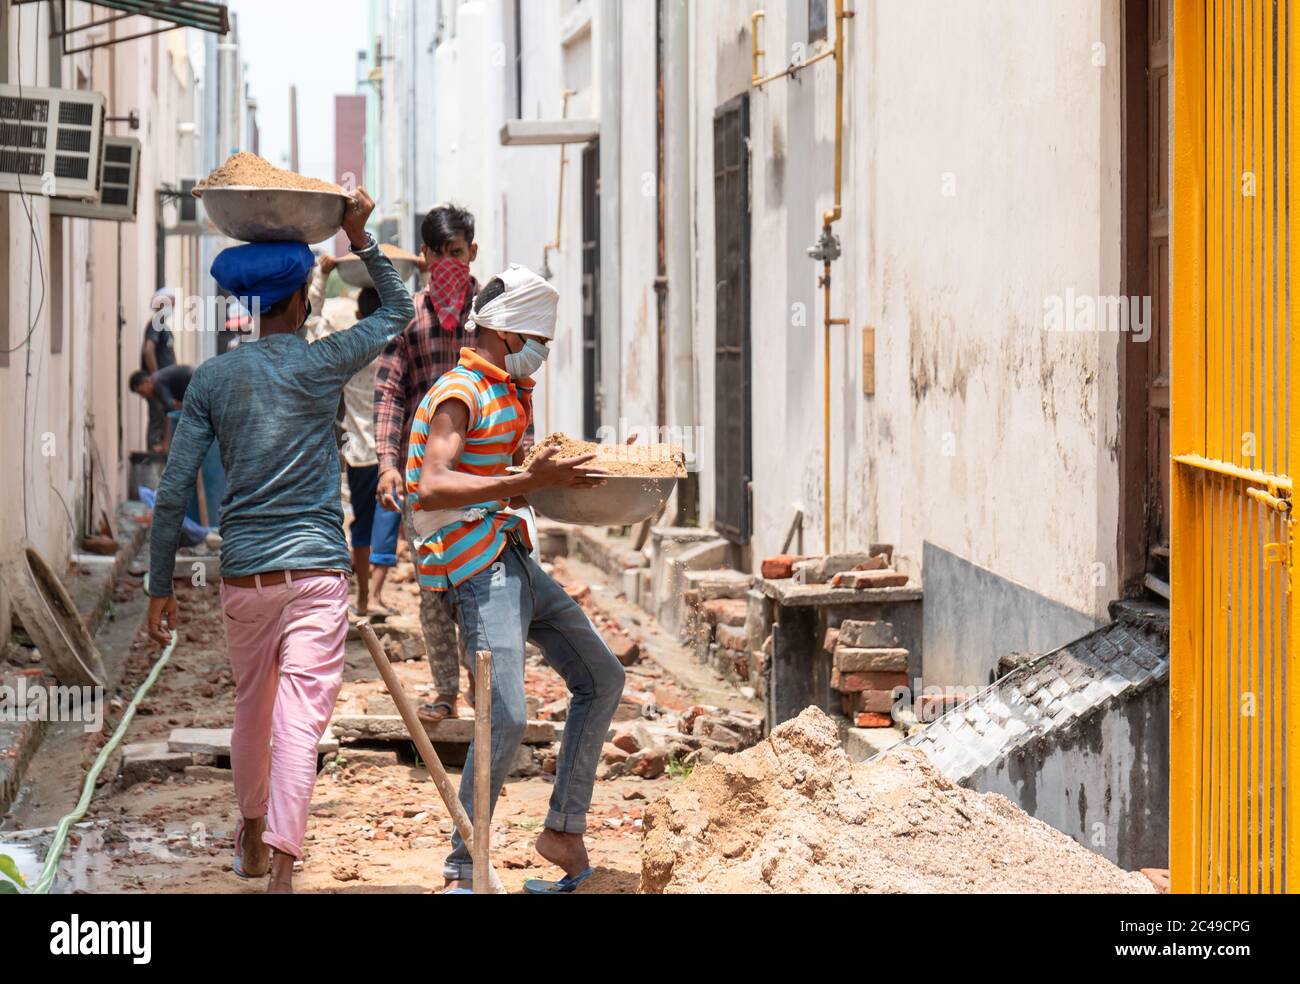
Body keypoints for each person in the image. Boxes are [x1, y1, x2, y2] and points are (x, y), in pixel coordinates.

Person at [144, 189, 415, 893]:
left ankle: (253, 834)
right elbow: (398, 311)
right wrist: (361, 236)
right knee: (300, 722)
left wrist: (160, 586)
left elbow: (173, 491)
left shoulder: (212, 378)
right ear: (301, 294)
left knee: (251, 709)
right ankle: (285, 868)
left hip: (245, 580)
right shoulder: (324, 360)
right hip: (319, 574)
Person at [409, 264, 624, 894]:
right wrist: (527, 482)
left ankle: (562, 829)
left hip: (509, 553)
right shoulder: (461, 391)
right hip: (474, 566)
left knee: (602, 676)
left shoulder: (503, 387)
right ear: (507, 333)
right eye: (542, 344)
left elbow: (508, 468)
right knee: (503, 714)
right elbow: (434, 482)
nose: (543, 357)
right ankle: (460, 867)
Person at [373, 204, 480, 723]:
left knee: (484, 585)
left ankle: (487, 692)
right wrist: (386, 464)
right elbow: (390, 392)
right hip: (426, 483)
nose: (447, 263)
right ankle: (444, 693)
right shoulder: (408, 317)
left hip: (484, 479)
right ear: (423, 257)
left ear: (472, 253)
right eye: (438, 254)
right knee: (435, 588)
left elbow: (521, 385)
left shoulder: (492, 316)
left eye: (456, 253)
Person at [303, 259, 402, 616]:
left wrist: (323, 275)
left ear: (359, 313)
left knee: (362, 525)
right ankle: (373, 595)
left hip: (360, 453)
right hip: (393, 454)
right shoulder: (397, 346)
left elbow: (311, 324)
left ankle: (362, 599)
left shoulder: (349, 349)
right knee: (388, 522)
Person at [140, 289, 179, 450]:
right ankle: (152, 459)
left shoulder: (165, 328)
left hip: (167, 385)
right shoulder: (155, 324)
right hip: (159, 384)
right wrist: (156, 377)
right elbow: (148, 350)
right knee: (158, 418)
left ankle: (162, 457)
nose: (173, 308)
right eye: (171, 304)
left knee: (166, 419)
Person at [129, 363, 194, 453]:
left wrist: (165, 445)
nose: (143, 396)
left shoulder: (158, 382)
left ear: (146, 382)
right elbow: (174, 407)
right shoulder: (158, 380)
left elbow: (170, 415)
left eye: (142, 392)